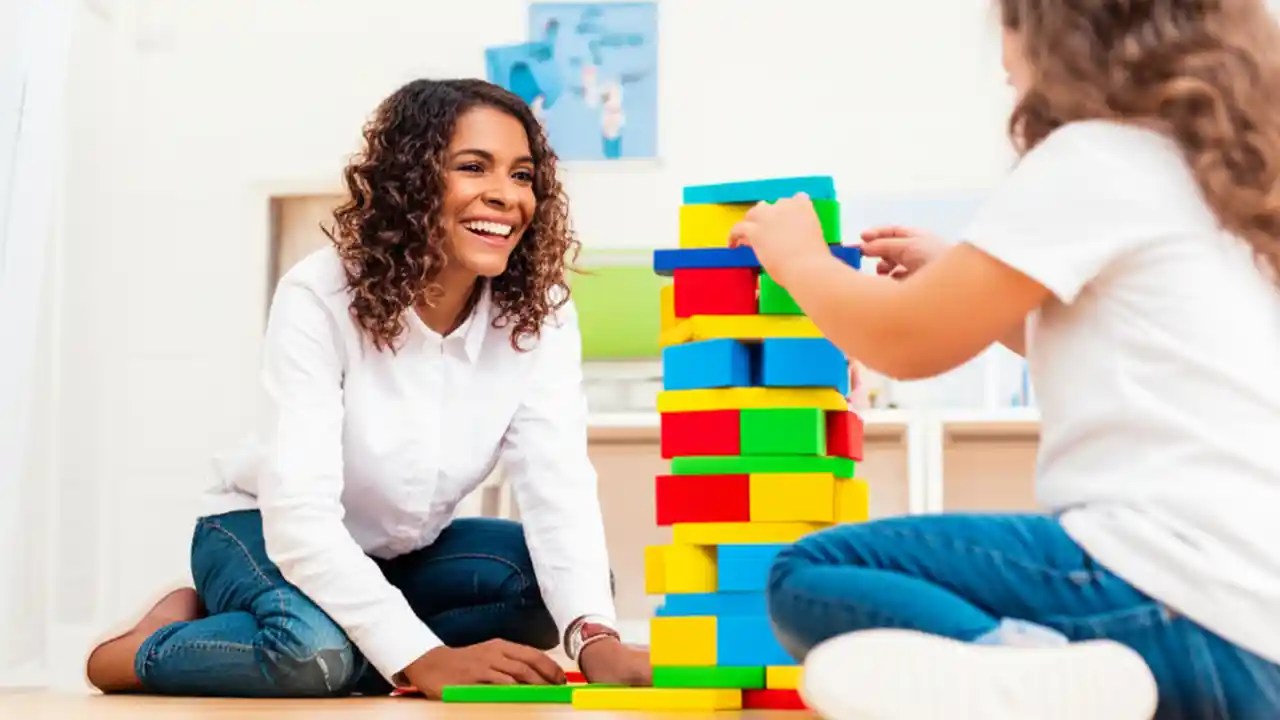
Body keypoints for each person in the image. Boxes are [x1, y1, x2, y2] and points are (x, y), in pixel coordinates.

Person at [731, 1, 1280, 718]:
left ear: (1060, 34)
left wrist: (799, 258)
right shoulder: (1227, 180)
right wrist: (962, 277)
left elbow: (902, 339)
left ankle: (1022, 670)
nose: (1001, 54)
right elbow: (1106, 343)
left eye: (1011, 23)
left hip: (1160, 588)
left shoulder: (1097, 154)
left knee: (813, 569)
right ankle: (1059, 675)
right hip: (1254, 646)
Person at [84, 78, 651, 700]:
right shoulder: (319, 295)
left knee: (554, 596)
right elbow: (300, 520)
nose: (506, 195)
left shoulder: (540, 312)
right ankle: (148, 644)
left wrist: (596, 639)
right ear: (411, 181)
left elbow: (556, 482)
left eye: (522, 175)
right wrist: (422, 657)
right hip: (259, 532)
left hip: (403, 555)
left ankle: (366, 643)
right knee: (310, 657)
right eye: (472, 167)